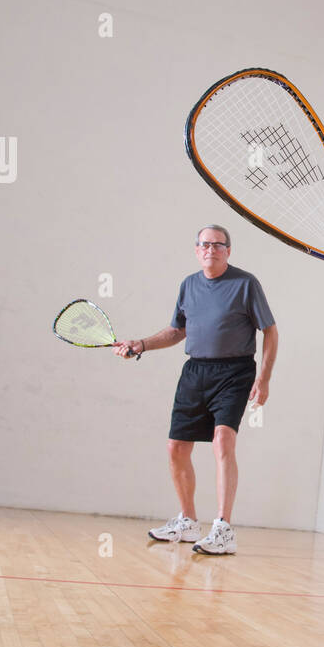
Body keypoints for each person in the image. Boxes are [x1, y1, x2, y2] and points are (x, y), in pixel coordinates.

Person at [115, 225, 277, 554]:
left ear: (228, 251)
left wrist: (264, 377)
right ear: (196, 250)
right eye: (205, 245)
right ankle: (187, 522)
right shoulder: (188, 285)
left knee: (222, 441)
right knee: (176, 448)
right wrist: (141, 344)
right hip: (195, 372)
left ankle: (223, 529)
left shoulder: (246, 284)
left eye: (218, 245)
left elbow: (270, 331)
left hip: (235, 372)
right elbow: (177, 331)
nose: (211, 250)